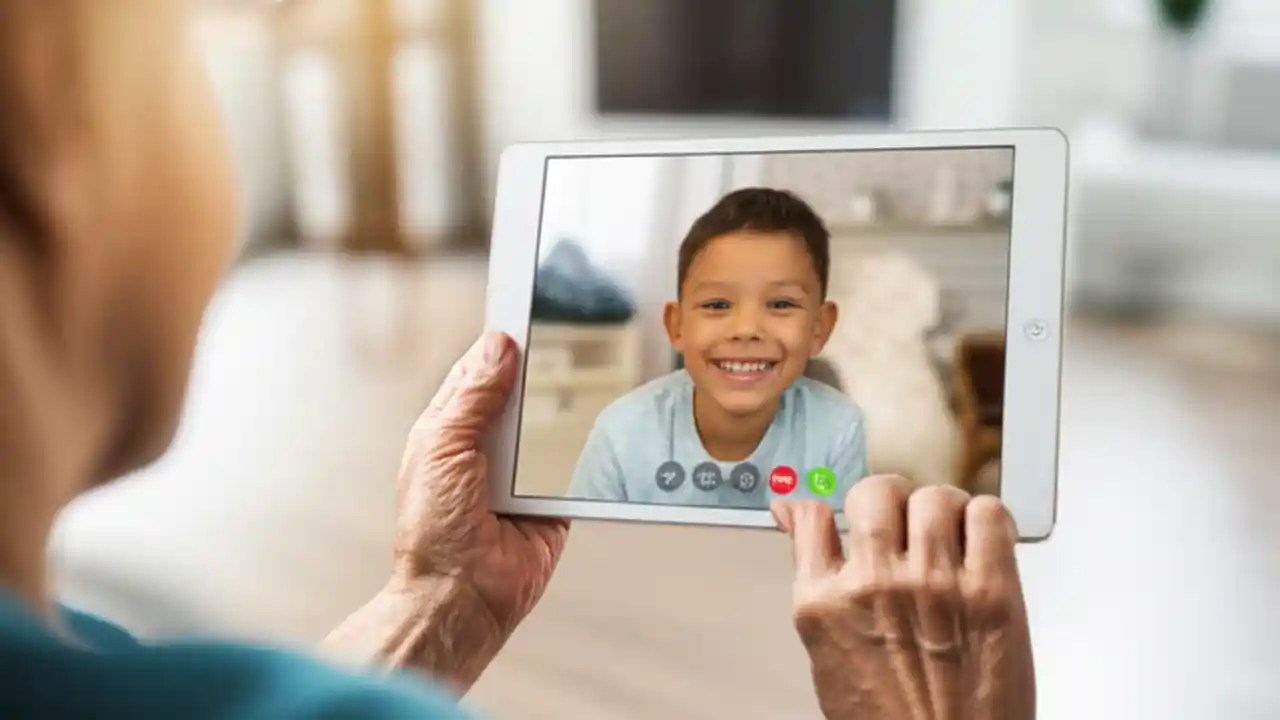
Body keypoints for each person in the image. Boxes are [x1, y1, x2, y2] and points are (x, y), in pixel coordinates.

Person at [0, 2, 1035, 718]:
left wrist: (436, 595)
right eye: (187, 38)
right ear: (53, 122)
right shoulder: (629, 430)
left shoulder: (78, 647)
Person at [567, 188, 869, 507]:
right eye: (717, 304)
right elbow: (582, 548)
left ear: (819, 329)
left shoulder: (838, 429)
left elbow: (844, 550)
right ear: (677, 325)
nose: (746, 329)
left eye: (781, 303)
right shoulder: (623, 430)